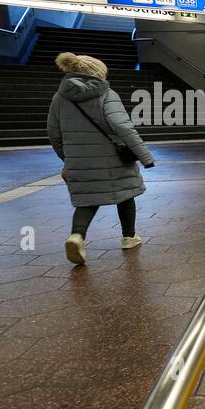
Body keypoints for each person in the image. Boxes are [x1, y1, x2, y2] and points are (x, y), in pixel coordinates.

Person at [46, 51, 156, 265]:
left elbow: (53, 133)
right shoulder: (106, 94)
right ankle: (129, 237)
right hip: (114, 158)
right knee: (125, 195)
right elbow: (123, 127)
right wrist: (145, 156)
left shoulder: (59, 97)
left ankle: (76, 236)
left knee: (86, 201)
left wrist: (67, 158)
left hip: (78, 161)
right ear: (97, 74)